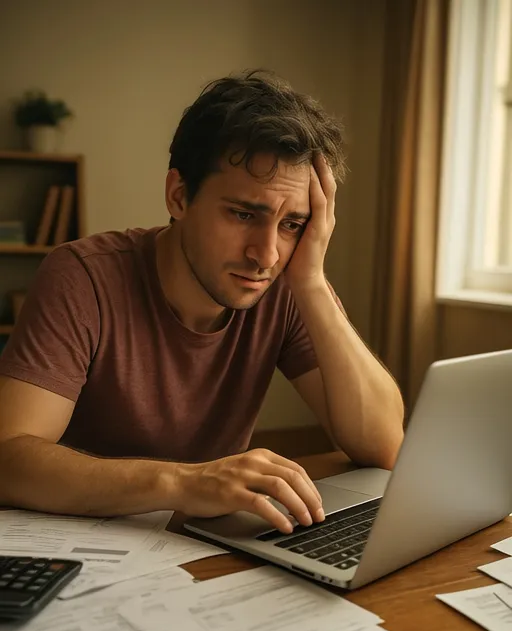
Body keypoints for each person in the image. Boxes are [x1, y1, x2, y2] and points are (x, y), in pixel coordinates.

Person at [0, 71, 404, 534]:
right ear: (178, 195)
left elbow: (384, 446)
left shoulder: (288, 281)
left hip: (205, 546)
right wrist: (180, 481)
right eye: (243, 214)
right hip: (86, 546)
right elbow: (9, 457)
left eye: (293, 223)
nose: (266, 255)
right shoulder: (83, 275)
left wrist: (311, 280)